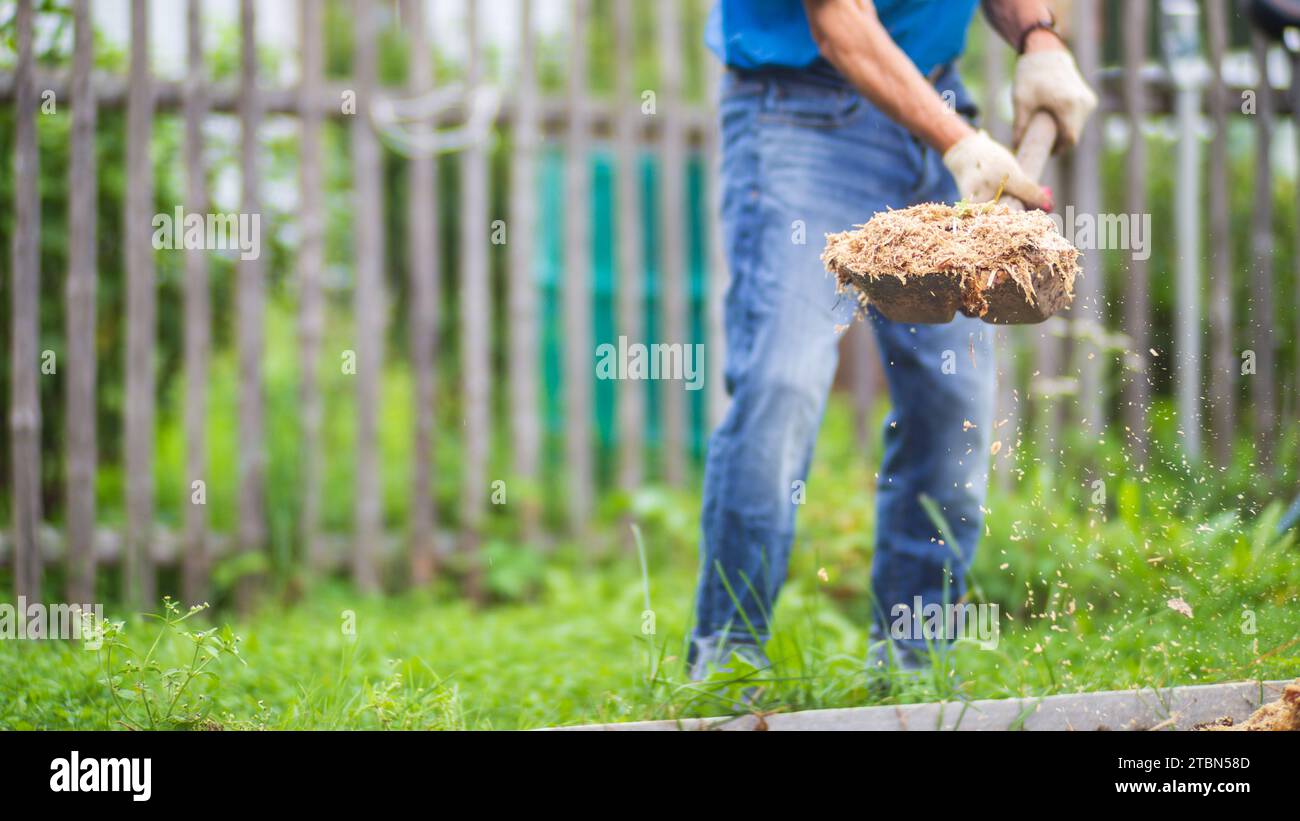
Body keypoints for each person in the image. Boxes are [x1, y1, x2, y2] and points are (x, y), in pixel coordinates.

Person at [690, 0, 1097, 678]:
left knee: (953, 403)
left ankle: (912, 665)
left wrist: (1038, 36)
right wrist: (959, 142)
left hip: (934, 99)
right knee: (780, 385)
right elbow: (838, 18)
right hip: (798, 113)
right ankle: (727, 660)